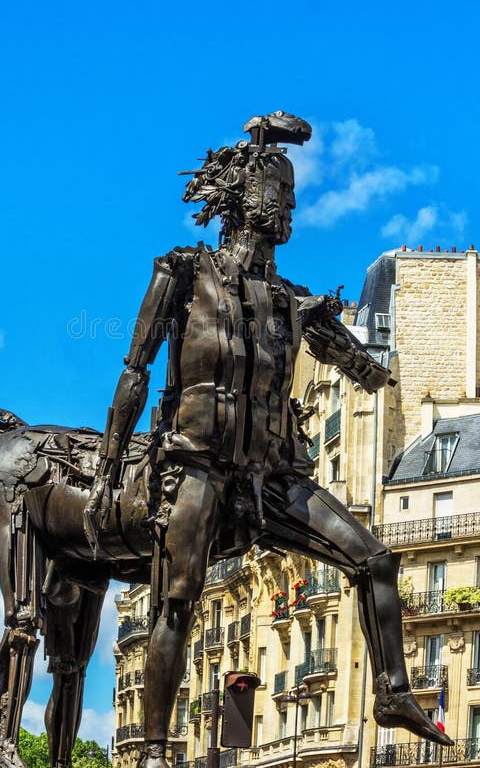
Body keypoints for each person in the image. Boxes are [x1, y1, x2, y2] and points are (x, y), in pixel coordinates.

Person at [85, 111, 452, 768]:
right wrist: (111, 469)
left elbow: (367, 370)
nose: (288, 206)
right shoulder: (183, 273)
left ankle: (393, 694)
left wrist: (366, 355)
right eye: (278, 192)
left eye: (291, 195)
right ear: (240, 197)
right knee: (177, 599)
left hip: (272, 477)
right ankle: (157, 749)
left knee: (376, 560)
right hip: (197, 463)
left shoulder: (294, 300)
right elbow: (134, 372)